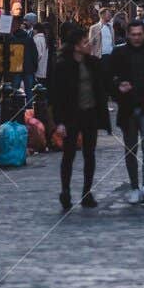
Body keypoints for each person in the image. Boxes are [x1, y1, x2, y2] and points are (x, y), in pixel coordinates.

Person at [49, 24, 110, 210]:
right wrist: (58, 122)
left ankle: (86, 192)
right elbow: (55, 96)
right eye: (85, 42)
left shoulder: (93, 64)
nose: (89, 44)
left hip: (90, 114)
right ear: (76, 46)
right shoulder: (62, 66)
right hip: (71, 116)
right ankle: (65, 191)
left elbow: (103, 87)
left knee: (89, 154)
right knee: (68, 155)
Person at [107, 19, 144, 204]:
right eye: (133, 34)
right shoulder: (119, 53)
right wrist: (118, 87)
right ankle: (134, 186)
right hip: (127, 107)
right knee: (130, 149)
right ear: (128, 35)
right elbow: (108, 78)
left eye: (140, 34)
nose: (137, 38)